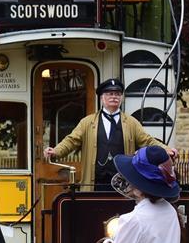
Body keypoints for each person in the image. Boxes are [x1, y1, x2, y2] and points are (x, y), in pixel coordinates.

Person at [45, 78, 177, 191]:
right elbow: (71, 140)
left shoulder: (131, 122)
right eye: (110, 93)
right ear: (102, 98)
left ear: (121, 98)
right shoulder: (87, 122)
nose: (114, 97)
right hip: (95, 183)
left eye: (118, 94)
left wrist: (167, 149)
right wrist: (56, 151)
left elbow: (147, 141)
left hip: (122, 182)